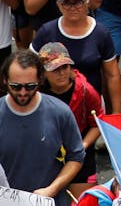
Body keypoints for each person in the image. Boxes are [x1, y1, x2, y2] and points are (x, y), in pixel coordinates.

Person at [0, 49, 86, 205]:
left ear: (40, 80)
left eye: (30, 86)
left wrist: (52, 189)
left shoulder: (60, 112)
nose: (23, 93)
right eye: (16, 86)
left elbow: (76, 157)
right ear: (5, 80)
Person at [31, 0, 121, 114]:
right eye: (67, 3)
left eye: (78, 2)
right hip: (52, 105)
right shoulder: (46, 31)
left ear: (87, 2)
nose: (73, 8)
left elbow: (112, 75)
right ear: (59, 5)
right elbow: (30, 68)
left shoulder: (101, 33)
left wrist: (117, 113)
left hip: (89, 106)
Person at [36, 42, 101, 195]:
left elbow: (98, 122)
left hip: (79, 152)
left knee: (83, 202)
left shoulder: (86, 91)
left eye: (65, 67)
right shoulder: (35, 91)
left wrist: (82, 145)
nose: (62, 73)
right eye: (55, 69)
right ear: (43, 73)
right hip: (47, 154)